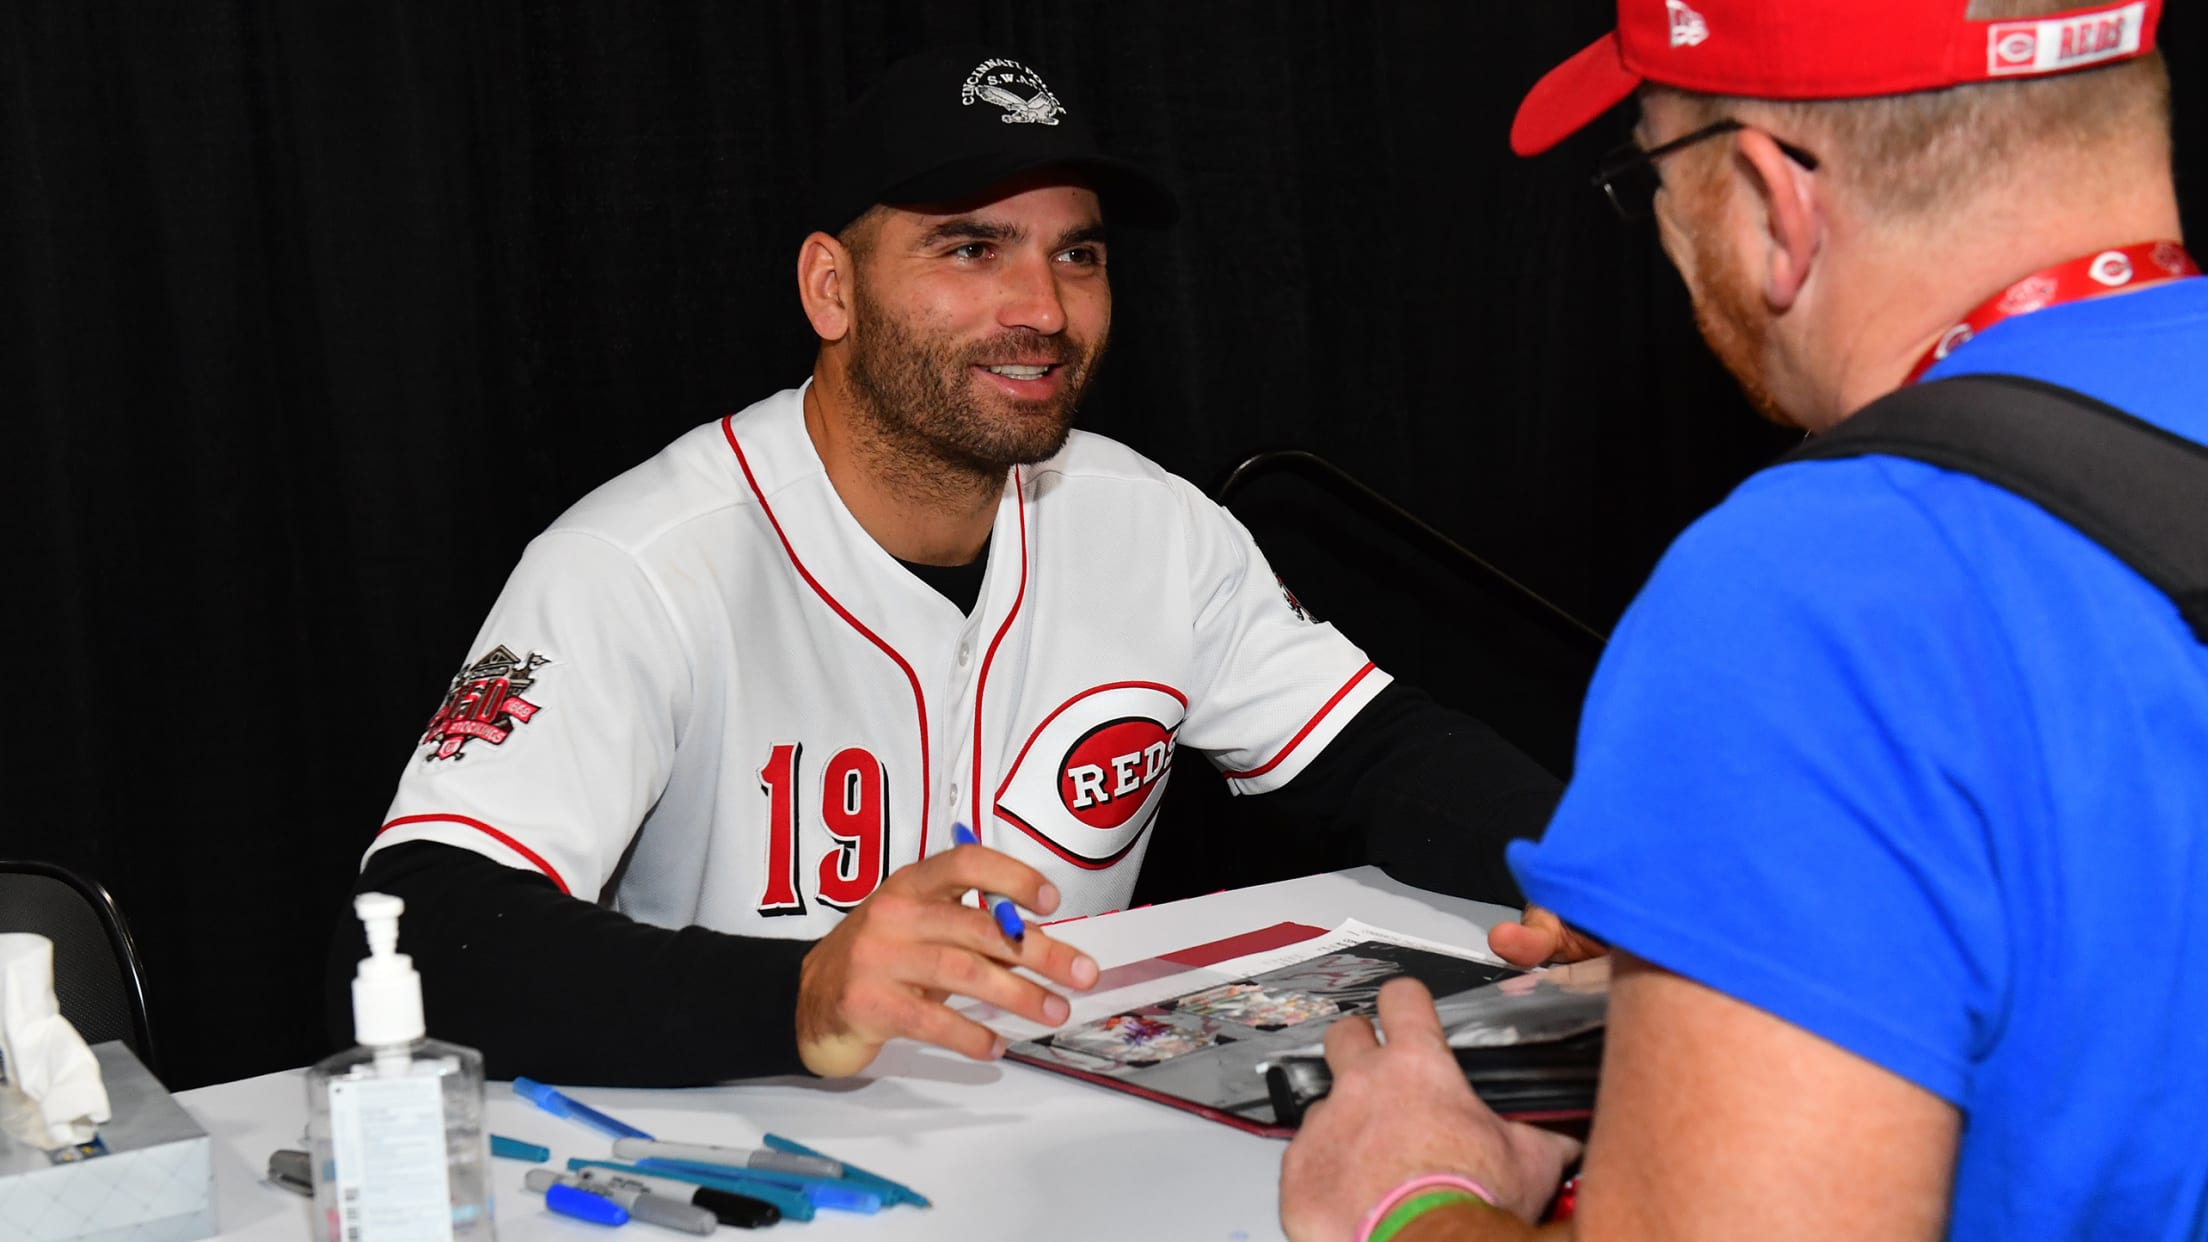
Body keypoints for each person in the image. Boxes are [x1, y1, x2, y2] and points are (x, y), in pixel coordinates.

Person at [327, 47, 1560, 1086]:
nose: (1042, 308)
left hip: (1067, 1130)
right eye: (971, 250)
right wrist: (799, 994)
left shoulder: (1150, 523)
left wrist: (1593, 871)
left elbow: (1387, 757)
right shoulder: (640, 559)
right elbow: (422, 934)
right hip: (752, 1139)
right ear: (833, 287)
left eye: (1076, 255)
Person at [1278, 0, 2208, 1238]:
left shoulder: (1825, 582)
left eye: (1650, 174)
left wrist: (1407, 1199)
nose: (1658, 233)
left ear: (1775, 201)